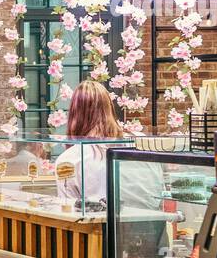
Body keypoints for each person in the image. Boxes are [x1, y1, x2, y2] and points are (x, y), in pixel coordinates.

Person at [55, 80, 159, 210]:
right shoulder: (142, 142)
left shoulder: (69, 159)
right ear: (109, 107)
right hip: (154, 224)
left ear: (74, 114)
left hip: (102, 228)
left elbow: (69, 210)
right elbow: (157, 193)